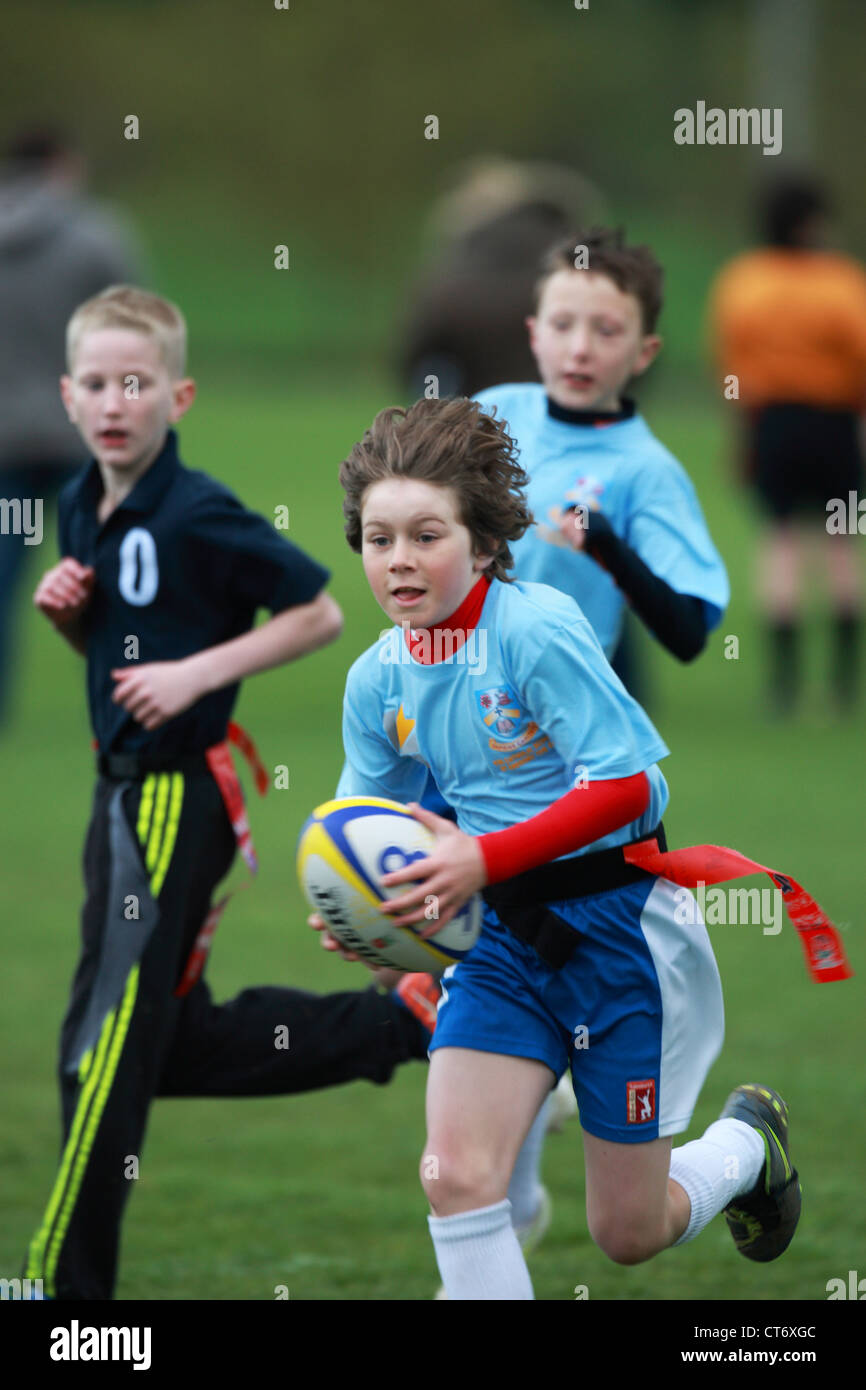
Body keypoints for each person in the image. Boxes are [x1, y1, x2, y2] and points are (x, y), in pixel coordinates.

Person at [331, 395, 800, 1300]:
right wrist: (359, 916)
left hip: (620, 933)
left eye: (426, 535)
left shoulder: (533, 628)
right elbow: (365, 836)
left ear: (483, 541)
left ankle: (746, 1147)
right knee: (457, 1177)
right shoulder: (376, 679)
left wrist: (482, 860)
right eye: (377, 539)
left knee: (627, 1232)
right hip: (501, 946)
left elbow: (630, 787)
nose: (398, 561)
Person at [24, 286, 430, 1301]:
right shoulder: (84, 499)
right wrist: (74, 620)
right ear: (66, 396)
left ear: (180, 394)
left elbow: (317, 612)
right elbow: (127, 648)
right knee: (162, 1040)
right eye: (96, 384)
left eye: (138, 382)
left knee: (100, 1050)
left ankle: (59, 1292)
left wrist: (197, 675)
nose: (116, 402)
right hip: (116, 800)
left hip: (174, 800)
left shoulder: (197, 509)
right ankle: (409, 1025)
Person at [474, 227, 729, 669]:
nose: (579, 349)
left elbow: (687, 634)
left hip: (554, 718)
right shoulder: (488, 415)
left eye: (607, 331)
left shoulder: (646, 471)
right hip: (453, 694)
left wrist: (610, 548)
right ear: (535, 334)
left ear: (645, 352)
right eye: (562, 325)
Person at [0, 125, 144, 725]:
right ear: (62, 165)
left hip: (6, 443)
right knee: (111, 573)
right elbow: (139, 329)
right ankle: (129, 698)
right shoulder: (95, 238)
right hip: (85, 438)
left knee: (5, 572)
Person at [707, 176, 866, 714]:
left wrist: (742, 433)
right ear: (811, 222)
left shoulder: (743, 281)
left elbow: (729, 363)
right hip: (837, 424)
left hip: (769, 421)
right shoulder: (840, 281)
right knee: (842, 545)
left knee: (779, 544)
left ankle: (784, 687)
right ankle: (843, 686)